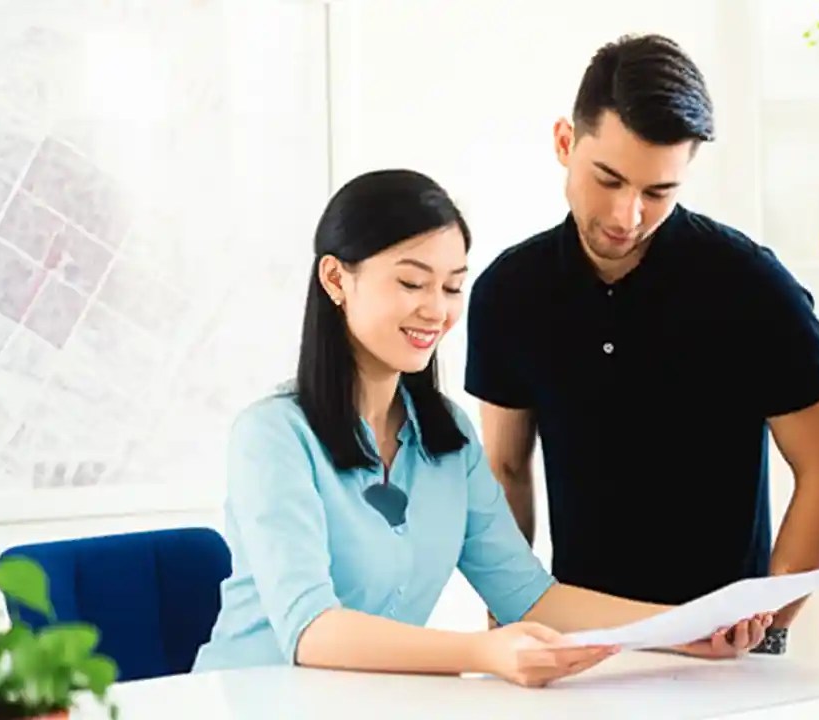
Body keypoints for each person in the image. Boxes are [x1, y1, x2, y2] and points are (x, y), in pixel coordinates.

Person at [192, 169, 773, 686]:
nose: (437, 310)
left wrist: (682, 630)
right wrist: (482, 652)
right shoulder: (273, 436)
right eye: (412, 283)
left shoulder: (449, 439)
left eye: (451, 286)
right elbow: (311, 630)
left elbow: (530, 597)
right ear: (336, 280)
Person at [464, 33, 819, 655]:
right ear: (566, 143)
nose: (628, 216)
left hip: (731, 653)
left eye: (657, 193)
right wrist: (506, 622)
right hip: (583, 644)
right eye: (609, 180)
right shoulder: (508, 292)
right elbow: (506, 469)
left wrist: (769, 616)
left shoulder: (755, 288)